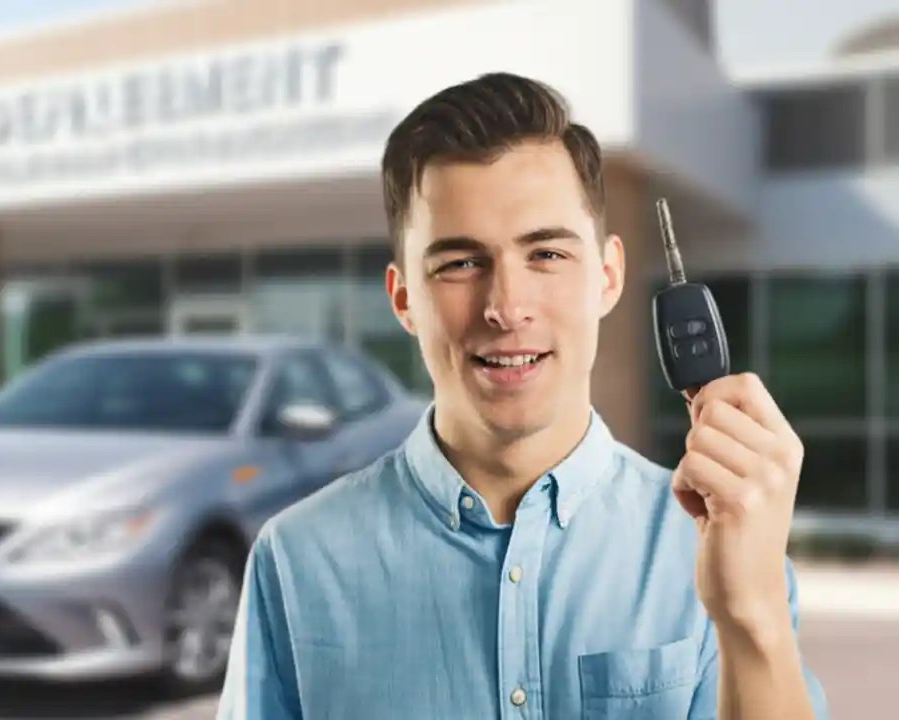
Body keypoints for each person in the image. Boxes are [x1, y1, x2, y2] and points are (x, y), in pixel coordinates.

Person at [215, 72, 830, 719]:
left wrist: (751, 617)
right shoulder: (296, 563)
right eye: (459, 263)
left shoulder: (719, 540)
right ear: (403, 299)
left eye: (546, 254)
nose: (506, 308)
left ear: (608, 276)